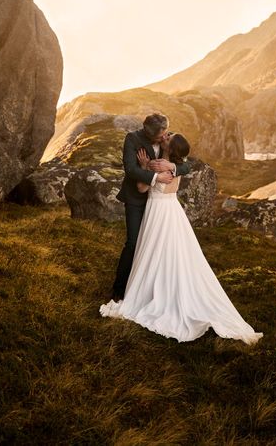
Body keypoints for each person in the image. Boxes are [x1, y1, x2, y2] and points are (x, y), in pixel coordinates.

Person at [100, 132, 263, 345]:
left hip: (157, 210)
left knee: (153, 250)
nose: (165, 136)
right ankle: (167, 285)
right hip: (172, 210)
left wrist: (146, 167)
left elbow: (141, 187)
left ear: (169, 147)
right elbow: (174, 175)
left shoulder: (160, 164)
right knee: (173, 252)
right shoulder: (176, 164)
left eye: (168, 138)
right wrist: (150, 165)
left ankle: (149, 290)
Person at [110, 113, 192, 302]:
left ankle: (154, 286)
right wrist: (155, 176)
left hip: (160, 205)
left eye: (166, 135)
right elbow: (131, 169)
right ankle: (119, 289)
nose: (165, 137)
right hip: (137, 200)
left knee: (156, 246)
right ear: (149, 134)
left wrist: (172, 166)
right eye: (161, 137)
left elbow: (186, 163)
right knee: (133, 243)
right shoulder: (133, 139)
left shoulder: (167, 138)